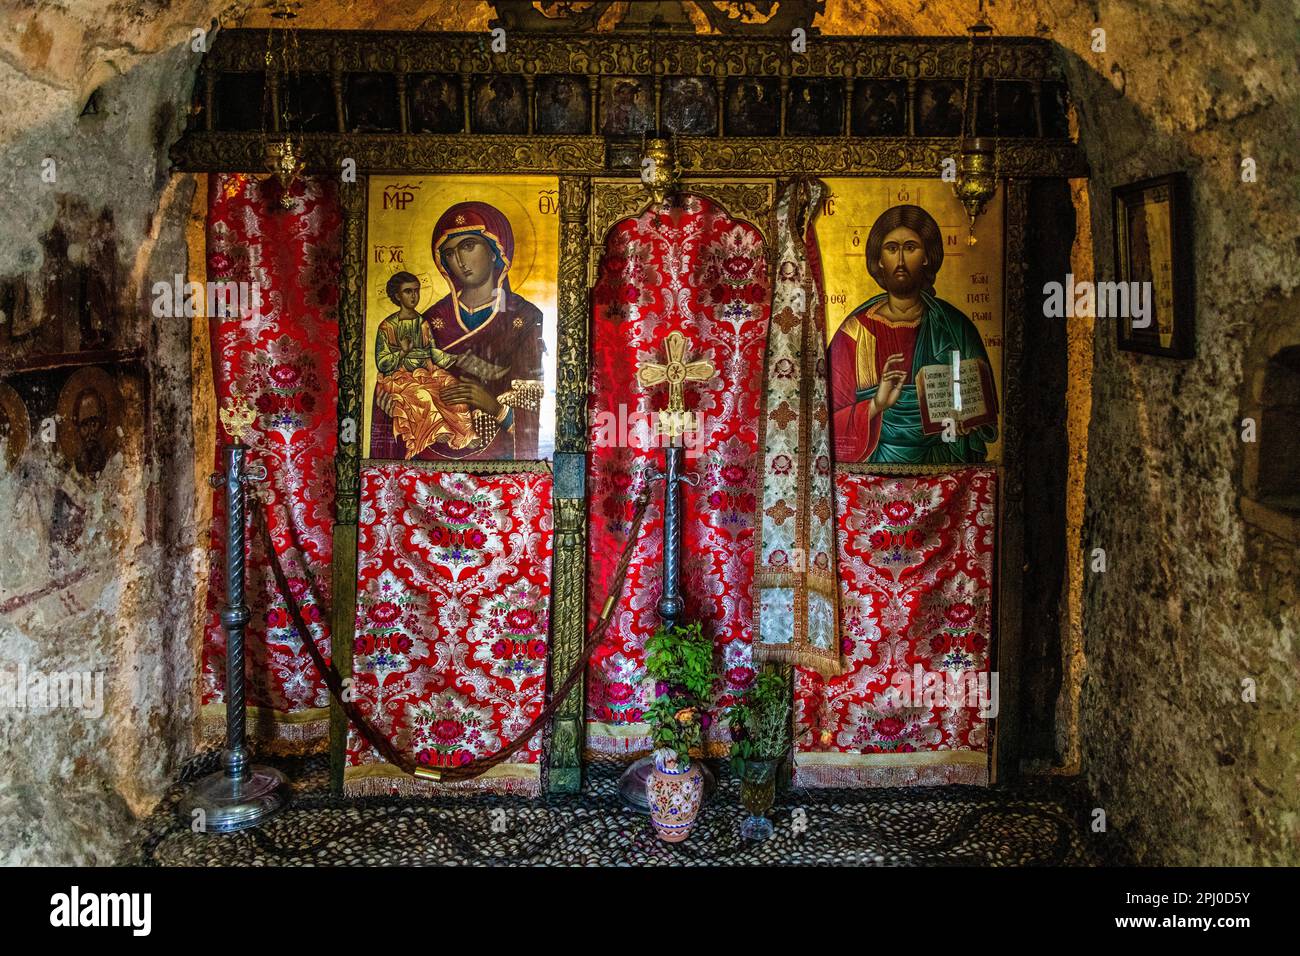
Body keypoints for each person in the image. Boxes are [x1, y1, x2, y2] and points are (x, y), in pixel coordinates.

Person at [370, 201, 545, 461]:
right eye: (450, 253)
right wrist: (389, 406)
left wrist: (493, 406)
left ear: (496, 249)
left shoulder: (525, 318)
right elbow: (399, 380)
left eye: (468, 246)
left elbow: (537, 420)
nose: (460, 261)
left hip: (501, 462)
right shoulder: (430, 320)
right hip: (429, 455)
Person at [828, 203, 997, 464]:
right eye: (892, 249)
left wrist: (968, 423)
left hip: (943, 469)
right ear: (879, 259)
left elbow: (980, 410)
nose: (901, 260)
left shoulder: (955, 326)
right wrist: (876, 405)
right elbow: (826, 419)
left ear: (927, 256)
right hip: (871, 474)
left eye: (910, 248)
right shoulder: (854, 332)